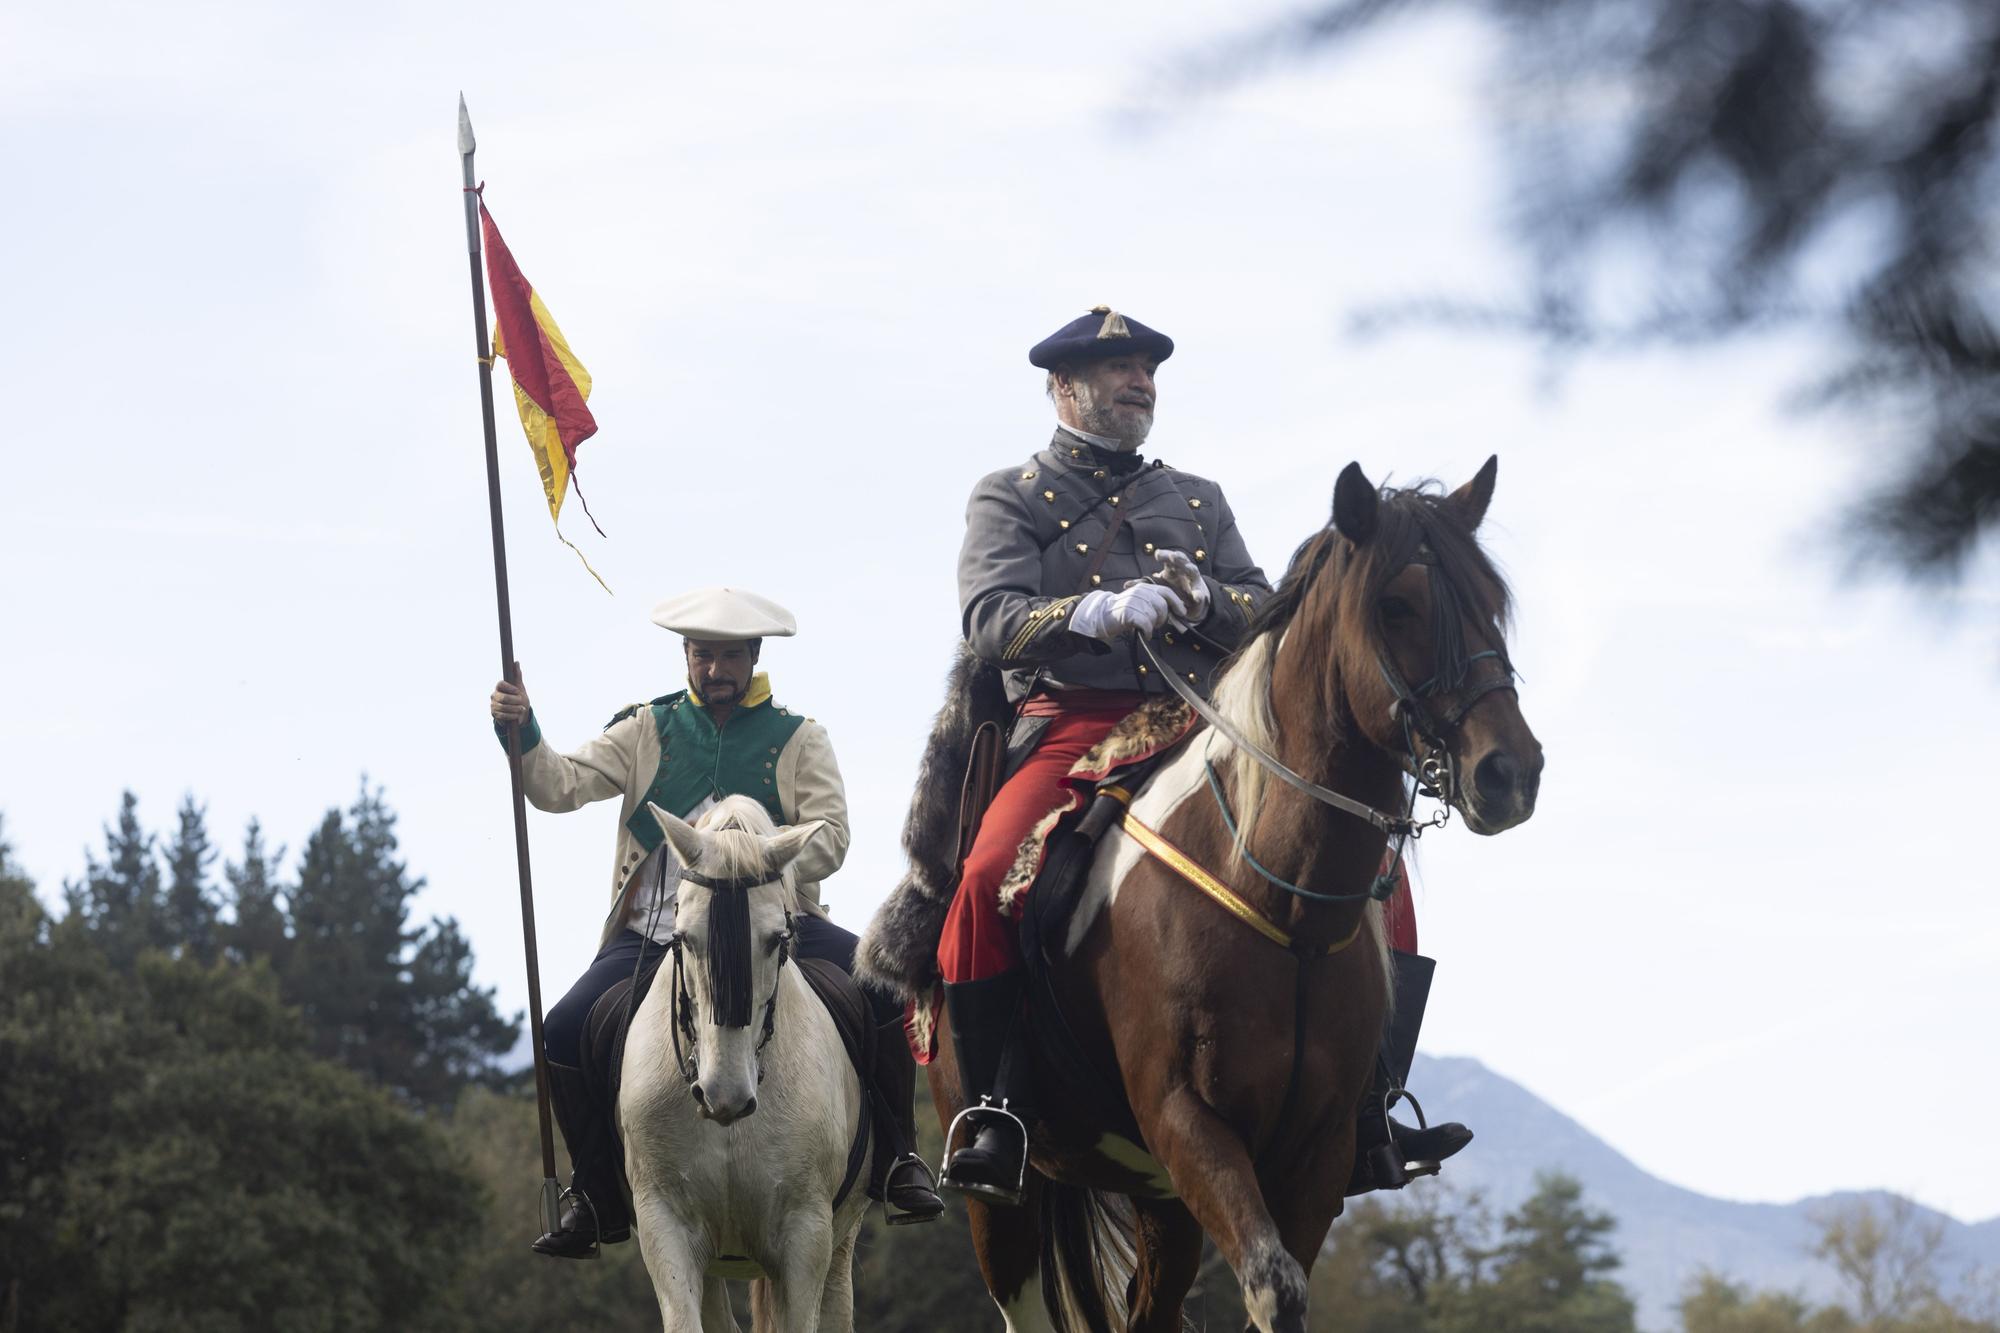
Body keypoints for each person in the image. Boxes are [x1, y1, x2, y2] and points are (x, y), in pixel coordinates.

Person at [939, 306, 1471, 1202]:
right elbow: (988, 622)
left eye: (1146, 368)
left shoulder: (1197, 497)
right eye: (1118, 369)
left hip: (1203, 723)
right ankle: (995, 1106)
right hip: (1074, 721)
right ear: (1064, 387)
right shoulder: (1011, 493)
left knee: (1381, 867)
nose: (1139, 381)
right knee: (991, 870)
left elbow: (1268, 612)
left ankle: (1372, 1107)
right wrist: (1093, 613)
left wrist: (1201, 599)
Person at [490, 586, 943, 1259]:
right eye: (702, 655)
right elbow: (557, 785)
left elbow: (833, 836)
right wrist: (521, 729)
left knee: (881, 986)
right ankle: (595, 1194)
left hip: (774, 928)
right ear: (686, 656)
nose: (713, 669)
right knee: (561, 1026)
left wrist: (763, 858)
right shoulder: (648, 727)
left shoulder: (798, 737)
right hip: (655, 930)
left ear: (753, 656)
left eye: (728, 656)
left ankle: (898, 1158)